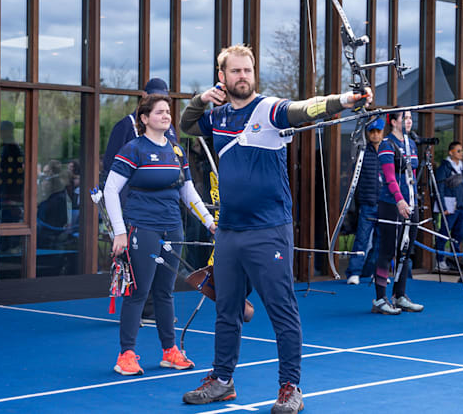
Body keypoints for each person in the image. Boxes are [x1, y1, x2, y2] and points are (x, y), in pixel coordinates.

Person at [179, 44, 371, 413]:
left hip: (269, 229)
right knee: (227, 309)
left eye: (247, 70)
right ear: (222, 77)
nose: (243, 77)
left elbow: (306, 108)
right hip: (230, 232)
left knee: (281, 308)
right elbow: (187, 125)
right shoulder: (217, 117)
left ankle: (290, 387)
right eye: (235, 71)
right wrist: (201, 98)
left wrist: (346, 100)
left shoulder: (269, 110)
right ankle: (222, 380)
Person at [103, 93, 216, 376]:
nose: (166, 116)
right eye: (159, 113)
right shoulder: (133, 149)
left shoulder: (176, 151)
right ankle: (126, 355)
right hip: (142, 228)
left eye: (168, 112)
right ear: (144, 118)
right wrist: (119, 232)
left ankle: (170, 351)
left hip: (172, 227)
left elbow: (187, 191)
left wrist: (209, 222)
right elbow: (110, 190)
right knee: (138, 292)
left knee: (165, 293)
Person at [101, 78, 177, 325]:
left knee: (163, 259)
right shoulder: (126, 126)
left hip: (164, 206)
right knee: (140, 260)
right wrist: (117, 207)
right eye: (154, 98)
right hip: (133, 202)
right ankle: (141, 307)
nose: (163, 112)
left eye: (164, 101)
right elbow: (110, 168)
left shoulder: (169, 128)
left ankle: (155, 309)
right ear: (144, 97)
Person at [371, 111, 424, 315]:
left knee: (406, 251)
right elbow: (390, 177)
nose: (409, 121)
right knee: (387, 251)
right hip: (391, 204)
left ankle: (399, 295)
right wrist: (399, 200)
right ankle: (380, 298)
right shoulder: (386, 144)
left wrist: (410, 201)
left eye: (410, 118)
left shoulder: (411, 144)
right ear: (393, 122)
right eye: (405, 118)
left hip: (411, 203)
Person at [344, 117, 385, 285]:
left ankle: (374, 272)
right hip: (367, 203)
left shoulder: (388, 150)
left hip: (385, 203)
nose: (375, 135)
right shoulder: (363, 152)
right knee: (361, 238)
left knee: (381, 241)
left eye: (378, 132)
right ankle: (354, 272)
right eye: (372, 132)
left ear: (383, 132)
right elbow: (355, 179)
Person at [434, 141, 463, 272]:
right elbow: (440, 188)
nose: (461, 154)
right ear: (451, 152)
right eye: (458, 151)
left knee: (458, 234)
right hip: (449, 206)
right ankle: (440, 260)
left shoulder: (462, 166)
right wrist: (443, 206)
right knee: (444, 233)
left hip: (460, 205)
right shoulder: (444, 168)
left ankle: (455, 260)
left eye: (462, 151)